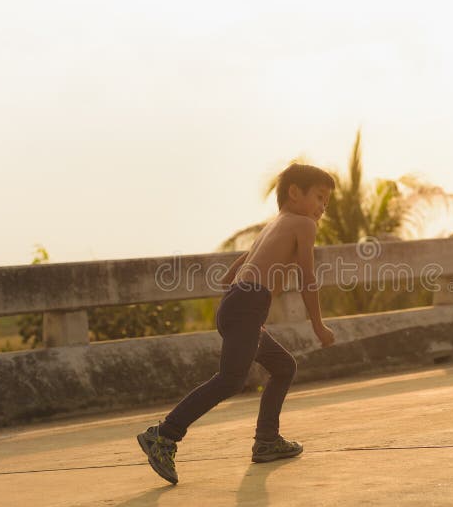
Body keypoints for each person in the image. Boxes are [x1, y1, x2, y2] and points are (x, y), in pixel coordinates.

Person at [137, 163, 337, 484]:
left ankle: (267, 440)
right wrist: (318, 326)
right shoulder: (302, 224)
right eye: (319, 197)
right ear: (294, 192)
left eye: (326, 202)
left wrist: (251, 295)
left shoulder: (274, 225)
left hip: (238, 304)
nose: (322, 208)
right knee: (230, 380)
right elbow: (308, 279)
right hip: (248, 305)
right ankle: (164, 435)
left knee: (283, 366)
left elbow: (231, 275)